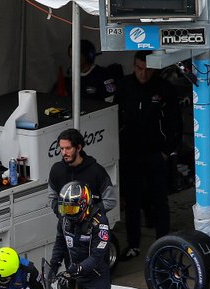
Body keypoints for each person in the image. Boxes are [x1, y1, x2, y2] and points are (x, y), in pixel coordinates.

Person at [116, 51, 182, 260]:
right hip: (130, 154)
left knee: (160, 201)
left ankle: (163, 244)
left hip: (155, 154)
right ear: (133, 66)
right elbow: (115, 118)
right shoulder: (124, 86)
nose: (142, 74)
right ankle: (133, 244)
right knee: (132, 201)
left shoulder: (165, 89)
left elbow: (176, 123)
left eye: (147, 69)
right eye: (138, 68)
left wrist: (166, 151)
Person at [48, 182, 114, 289]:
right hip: (74, 275)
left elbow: (97, 257)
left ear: (84, 205)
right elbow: (60, 243)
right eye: (65, 208)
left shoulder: (100, 223)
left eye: (72, 208)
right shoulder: (64, 220)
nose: (68, 213)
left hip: (96, 278)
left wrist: (77, 269)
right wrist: (53, 266)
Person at [47, 128, 117, 216]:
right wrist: (62, 213)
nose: (64, 152)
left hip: (92, 227)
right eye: (62, 148)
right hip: (65, 227)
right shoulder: (56, 170)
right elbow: (52, 198)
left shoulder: (96, 171)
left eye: (68, 148)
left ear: (78, 147)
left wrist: (87, 213)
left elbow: (110, 201)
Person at [54, 39, 124, 104]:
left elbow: (111, 106)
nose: (73, 60)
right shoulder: (70, 78)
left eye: (76, 55)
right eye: (71, 56)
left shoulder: (103, 75)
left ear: (88, 56)